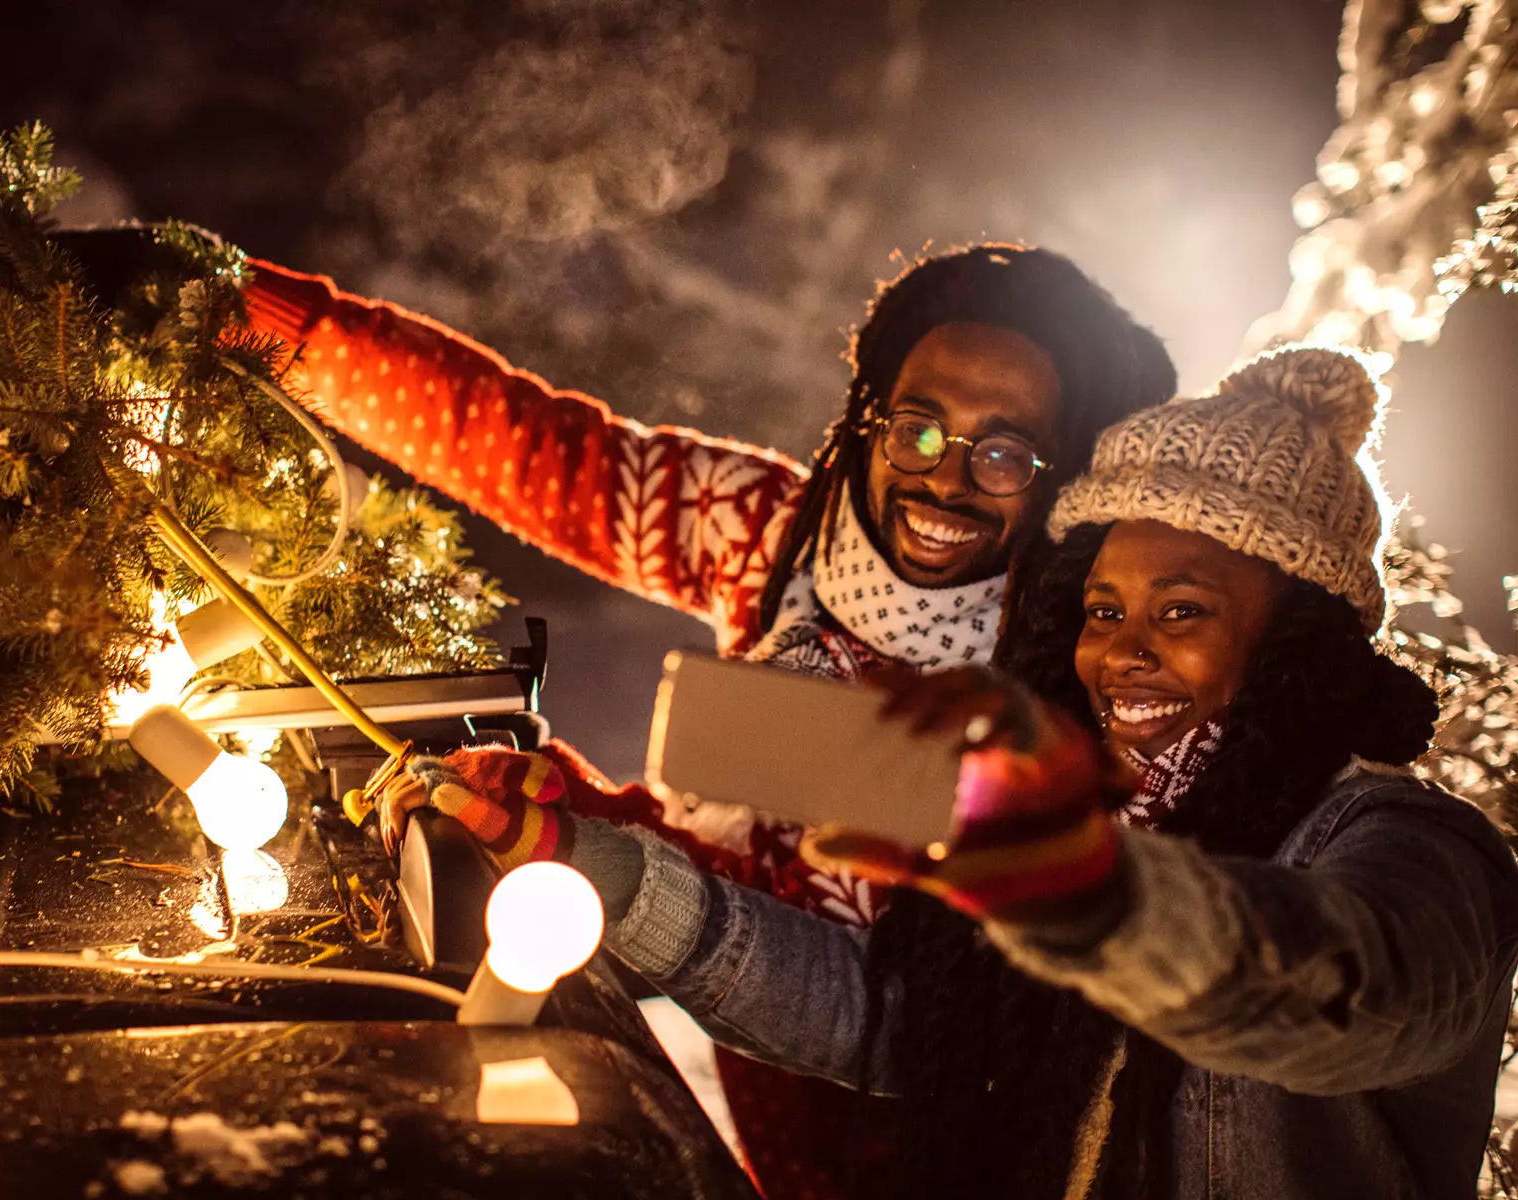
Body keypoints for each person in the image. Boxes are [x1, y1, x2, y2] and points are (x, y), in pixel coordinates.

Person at [386, 346, 1518, 1198]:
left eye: (1184, 611)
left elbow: (1329, 990)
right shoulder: (1111, 821)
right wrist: (595, 869)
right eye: (1102, 609)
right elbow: (892, 1018)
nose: (1122, 650)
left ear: (1295, 643)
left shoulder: (1412, 848)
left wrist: (1085, 893)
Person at [245, 244, 1177, 1195]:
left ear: (1059, 477)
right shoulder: (779, 537)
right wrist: (267, 321)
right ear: (868, 420)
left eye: (1005, 452)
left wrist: (598, 837)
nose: (946, 481)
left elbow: (912, 1006)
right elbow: (524, 445)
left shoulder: (1069, 672)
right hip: (759, 1123)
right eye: (919, 430)